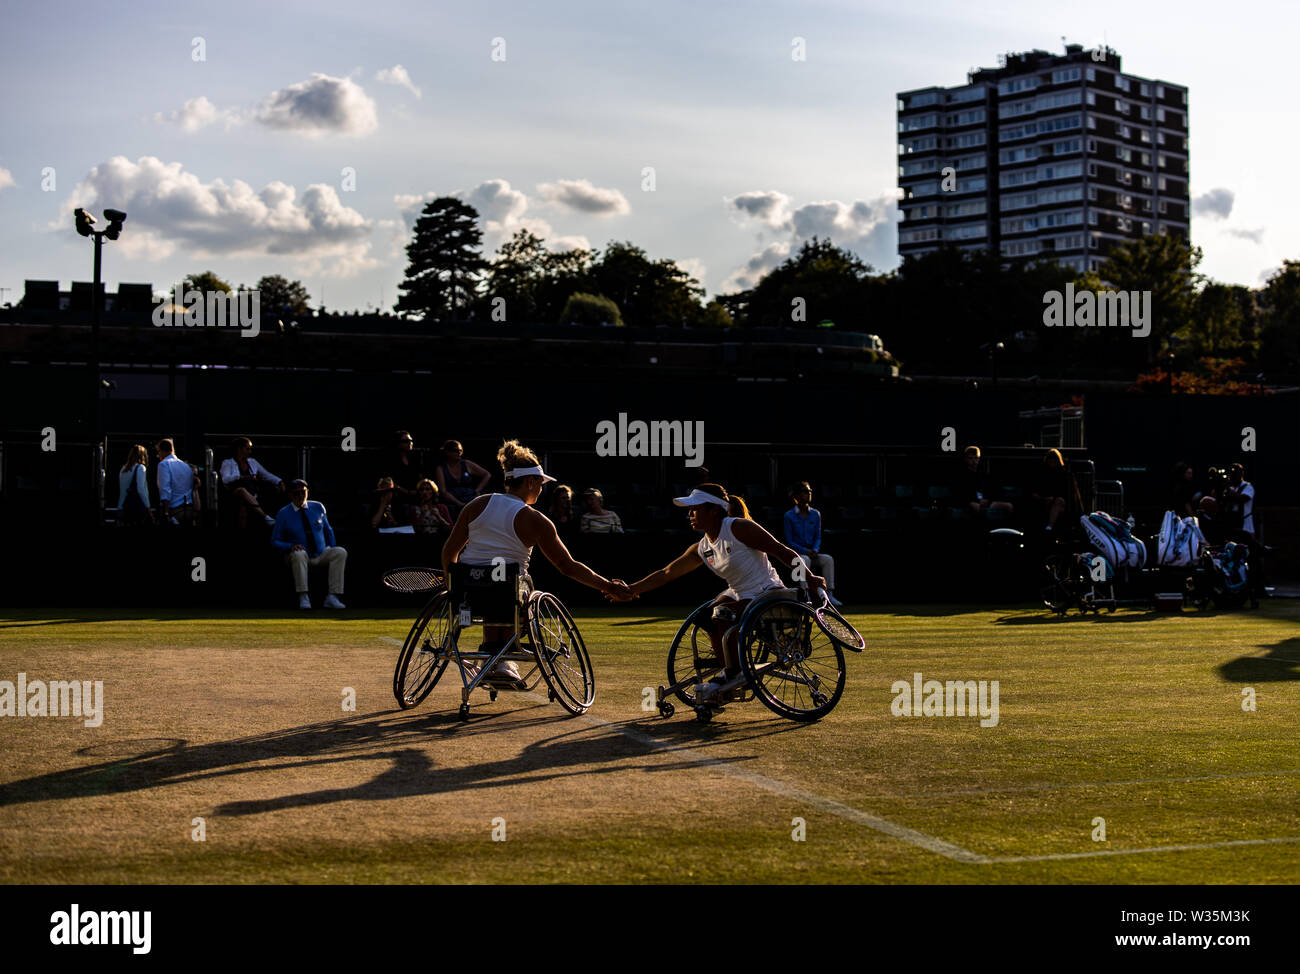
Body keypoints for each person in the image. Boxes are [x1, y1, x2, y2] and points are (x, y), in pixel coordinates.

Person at [613, 483, 826, 704]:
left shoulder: (738, 528)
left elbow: (781, 551)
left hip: (768, 592)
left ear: (714, 509)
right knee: (706, 616)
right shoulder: (702, 547)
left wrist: (809, 579)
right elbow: (666, 573)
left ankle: (733, 674)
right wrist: (630, 590)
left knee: (723, 612)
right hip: (740, 594)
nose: (690, 514)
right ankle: (729, 671)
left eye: (695, 509)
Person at [442, 440, 625, 683]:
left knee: (496, 583)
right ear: (530, 482)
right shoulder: (537, 520)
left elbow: (449, 553)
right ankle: (504, 657)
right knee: (515, 585)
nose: (541, 489)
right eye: (540, 483)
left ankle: (492, 653)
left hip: (468, 593)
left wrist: (452, 583)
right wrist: (608, 586)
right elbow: (566, 566)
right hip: (507, 595)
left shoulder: (475, 505)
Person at [271, 479, 347, 610]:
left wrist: (332, 546)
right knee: (299, 554)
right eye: (296, 493)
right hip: (298, 555)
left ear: (307, 492)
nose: (300, 496)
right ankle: (303, 596)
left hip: (320, 553)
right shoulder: (283, 513)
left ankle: (332, 596)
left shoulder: (318, 507)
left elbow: (328, 531)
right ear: (290, 495)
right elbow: (275, 540)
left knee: (340, 552)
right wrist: (290, 546)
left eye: (303, 492)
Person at [782, 481, 842, 607]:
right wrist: (805, 551)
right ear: (797, 495)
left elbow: (818, 537)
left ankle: (829, 594)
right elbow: (789, 541)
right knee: (804, 560)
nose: (808, 494)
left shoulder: (816, 514)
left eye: (809, 491)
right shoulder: (788, 516)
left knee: (827, 559)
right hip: (799, 554)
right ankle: (806, 594)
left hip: (813, 553)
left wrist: (815, 549)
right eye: (805, 491)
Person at [219, 436, 283, 527]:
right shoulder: (227, 463)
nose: (250, 452)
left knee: (244, 503)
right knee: (242, 491)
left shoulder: (252, 462)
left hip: (251, 494)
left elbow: (266, 475)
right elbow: (225, 479)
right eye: (247, 449)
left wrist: (279, 482)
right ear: (239, 449)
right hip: (233, 493)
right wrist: (241, 477)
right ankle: (264, 516)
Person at [435, 439, 492, 515]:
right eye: (455, 450)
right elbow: (443, 491)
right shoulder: (441, 469)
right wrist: (459, 503)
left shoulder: (467, 464)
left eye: (460, 451)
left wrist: (478, 490)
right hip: (453, 502)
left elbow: (487, 474)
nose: (459, 453)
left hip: (470, 498)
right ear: (447, 452)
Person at [1029, 448, 1080, 532]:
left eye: (1054, 461)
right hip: (1042, 501)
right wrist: (1041, 498)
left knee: (1059, 501)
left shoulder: (1064, 475)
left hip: (1058, 503)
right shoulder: (1041, 473)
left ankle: (1049, 526)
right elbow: (1035, 490)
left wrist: (1052, 498)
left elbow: (1066, 493)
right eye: (1050, 461)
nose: (1051, 463)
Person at [953, 445, 1012, 517]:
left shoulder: (983, 474)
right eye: (971, 458)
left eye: (976, 458)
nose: (974, 461)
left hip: (986, 502)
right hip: (971, 502)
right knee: (977, 508)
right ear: (966, 459)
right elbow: (960, 493)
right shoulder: (961, 476)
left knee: (1008, 506)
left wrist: (987, 500)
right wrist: (972, 502)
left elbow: (993, 490)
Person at [155, 438, 194, 526]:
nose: (158, 455)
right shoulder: (186, 466)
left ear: (161, 451)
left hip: (174, 511)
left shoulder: (164, 464)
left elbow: (165, 489)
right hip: (188, 510)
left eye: (158, 452)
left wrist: (165, 513)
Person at [117, 444, 153, 526]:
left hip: (122, 505)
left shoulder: (123, 469)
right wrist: (148, 506)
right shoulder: (140, 468)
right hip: (136, 508)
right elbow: (141, 489)